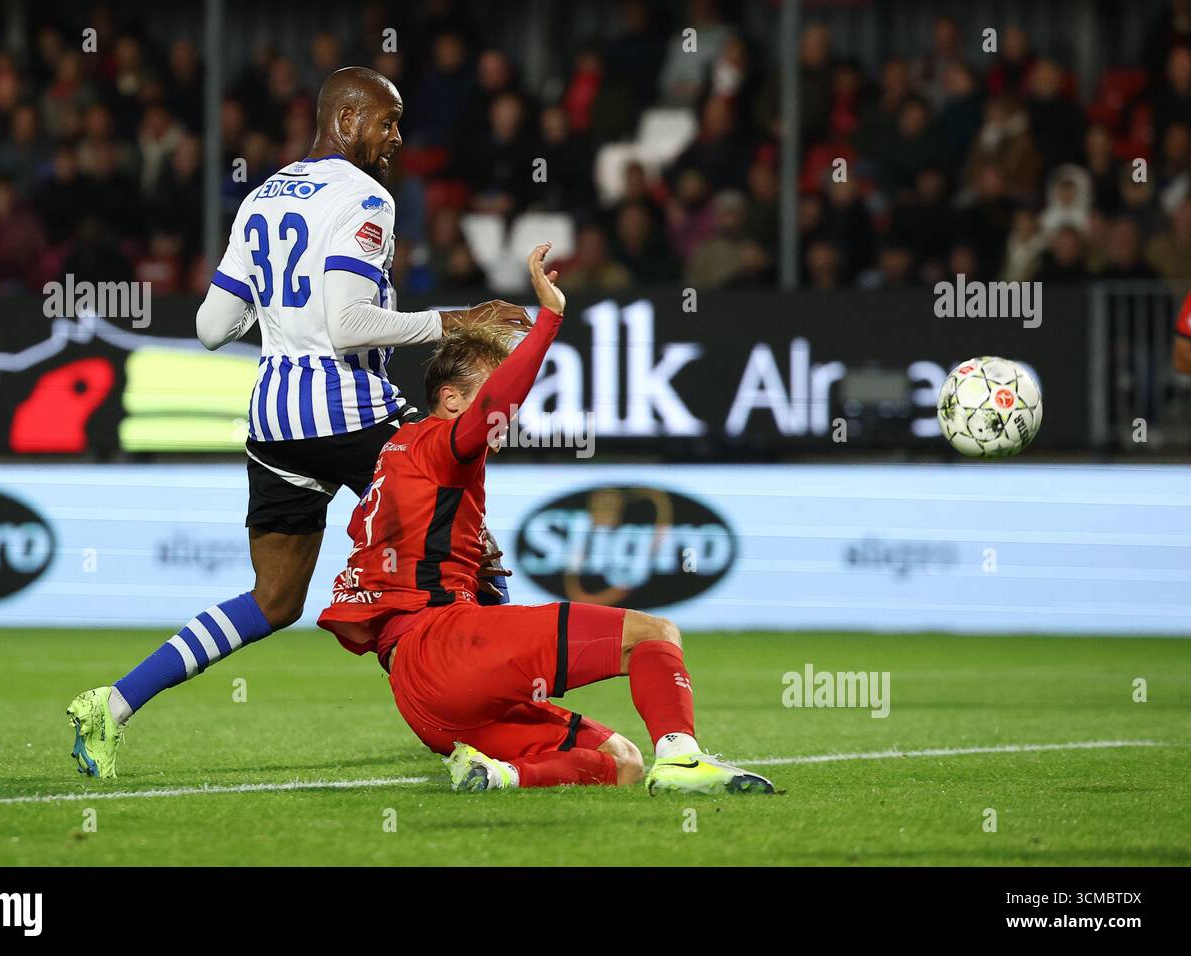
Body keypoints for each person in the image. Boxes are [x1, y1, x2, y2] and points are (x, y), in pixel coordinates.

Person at [65, 67, 527, 778]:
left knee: (274, 601)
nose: (396, 137)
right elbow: (346, 325)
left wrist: (281, 312)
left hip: (273, 422)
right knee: (474, 554)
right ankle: (497, 737)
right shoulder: (367, 197)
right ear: (345, 120)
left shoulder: (261, 197)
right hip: (349, 409)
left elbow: (212, 326)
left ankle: (114, 704)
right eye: (386, 121)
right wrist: (456, 319)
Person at [316, 243, 778, 796]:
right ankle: (682, 760)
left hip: (421, 697)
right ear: (452, 400)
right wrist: (549, 319)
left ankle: (502, 776)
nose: (509, 404)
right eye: (493, 383)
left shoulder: (399, 451)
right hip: (443, 647)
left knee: (621, 762)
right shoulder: (445, 442)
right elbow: (496, 407)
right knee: (654, 634)